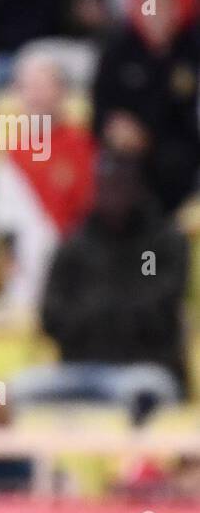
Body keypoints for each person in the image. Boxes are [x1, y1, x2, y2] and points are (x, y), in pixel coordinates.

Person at [12, 153, 189, 419]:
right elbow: (51, 317)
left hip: (142, 369)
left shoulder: (155, 248)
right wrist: (110, 310)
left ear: (138, 187)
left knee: (145, 393)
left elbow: (157, 309)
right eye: (106, 185)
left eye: (122, 183)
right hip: (77, 372)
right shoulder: (73, 246)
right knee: (12, 391)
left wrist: (96, 311)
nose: (114, 194)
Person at [91, 0, 200, 212]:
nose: (156, 12)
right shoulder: (119, 45)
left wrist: (148, 137)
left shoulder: (192, 49)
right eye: (150, 2)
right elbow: (99, 106)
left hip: (177, 159)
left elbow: (190, 122)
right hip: (121, 154)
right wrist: (111, 126)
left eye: (166, 1)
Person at [0, 52, 97, 307]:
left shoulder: (84, 146)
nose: (36, 96)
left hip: (78, 267)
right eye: (28, 87)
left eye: (44, 86)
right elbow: (5, 223)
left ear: (62, 92)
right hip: (27, 274)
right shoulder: (10, 155)